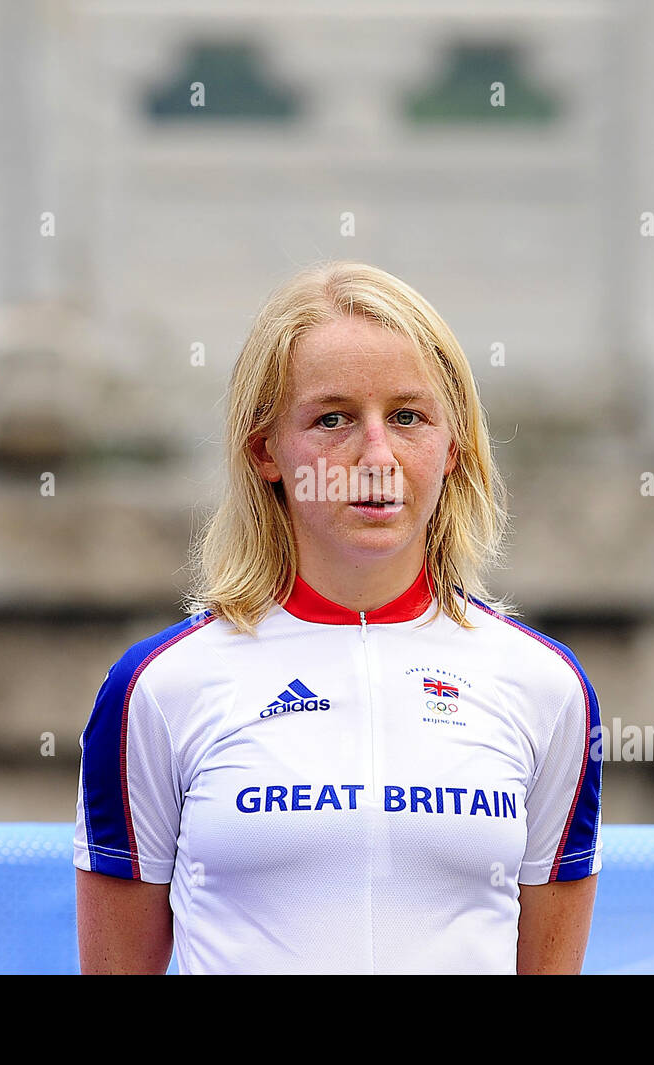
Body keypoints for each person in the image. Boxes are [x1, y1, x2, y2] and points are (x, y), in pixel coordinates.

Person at [73, 261, 601, 974]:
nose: (376, 455)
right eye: (333, 418)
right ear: (265, 449)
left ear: (453, 448)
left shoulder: (548, 688)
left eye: (408, 417)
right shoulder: (155, 689)